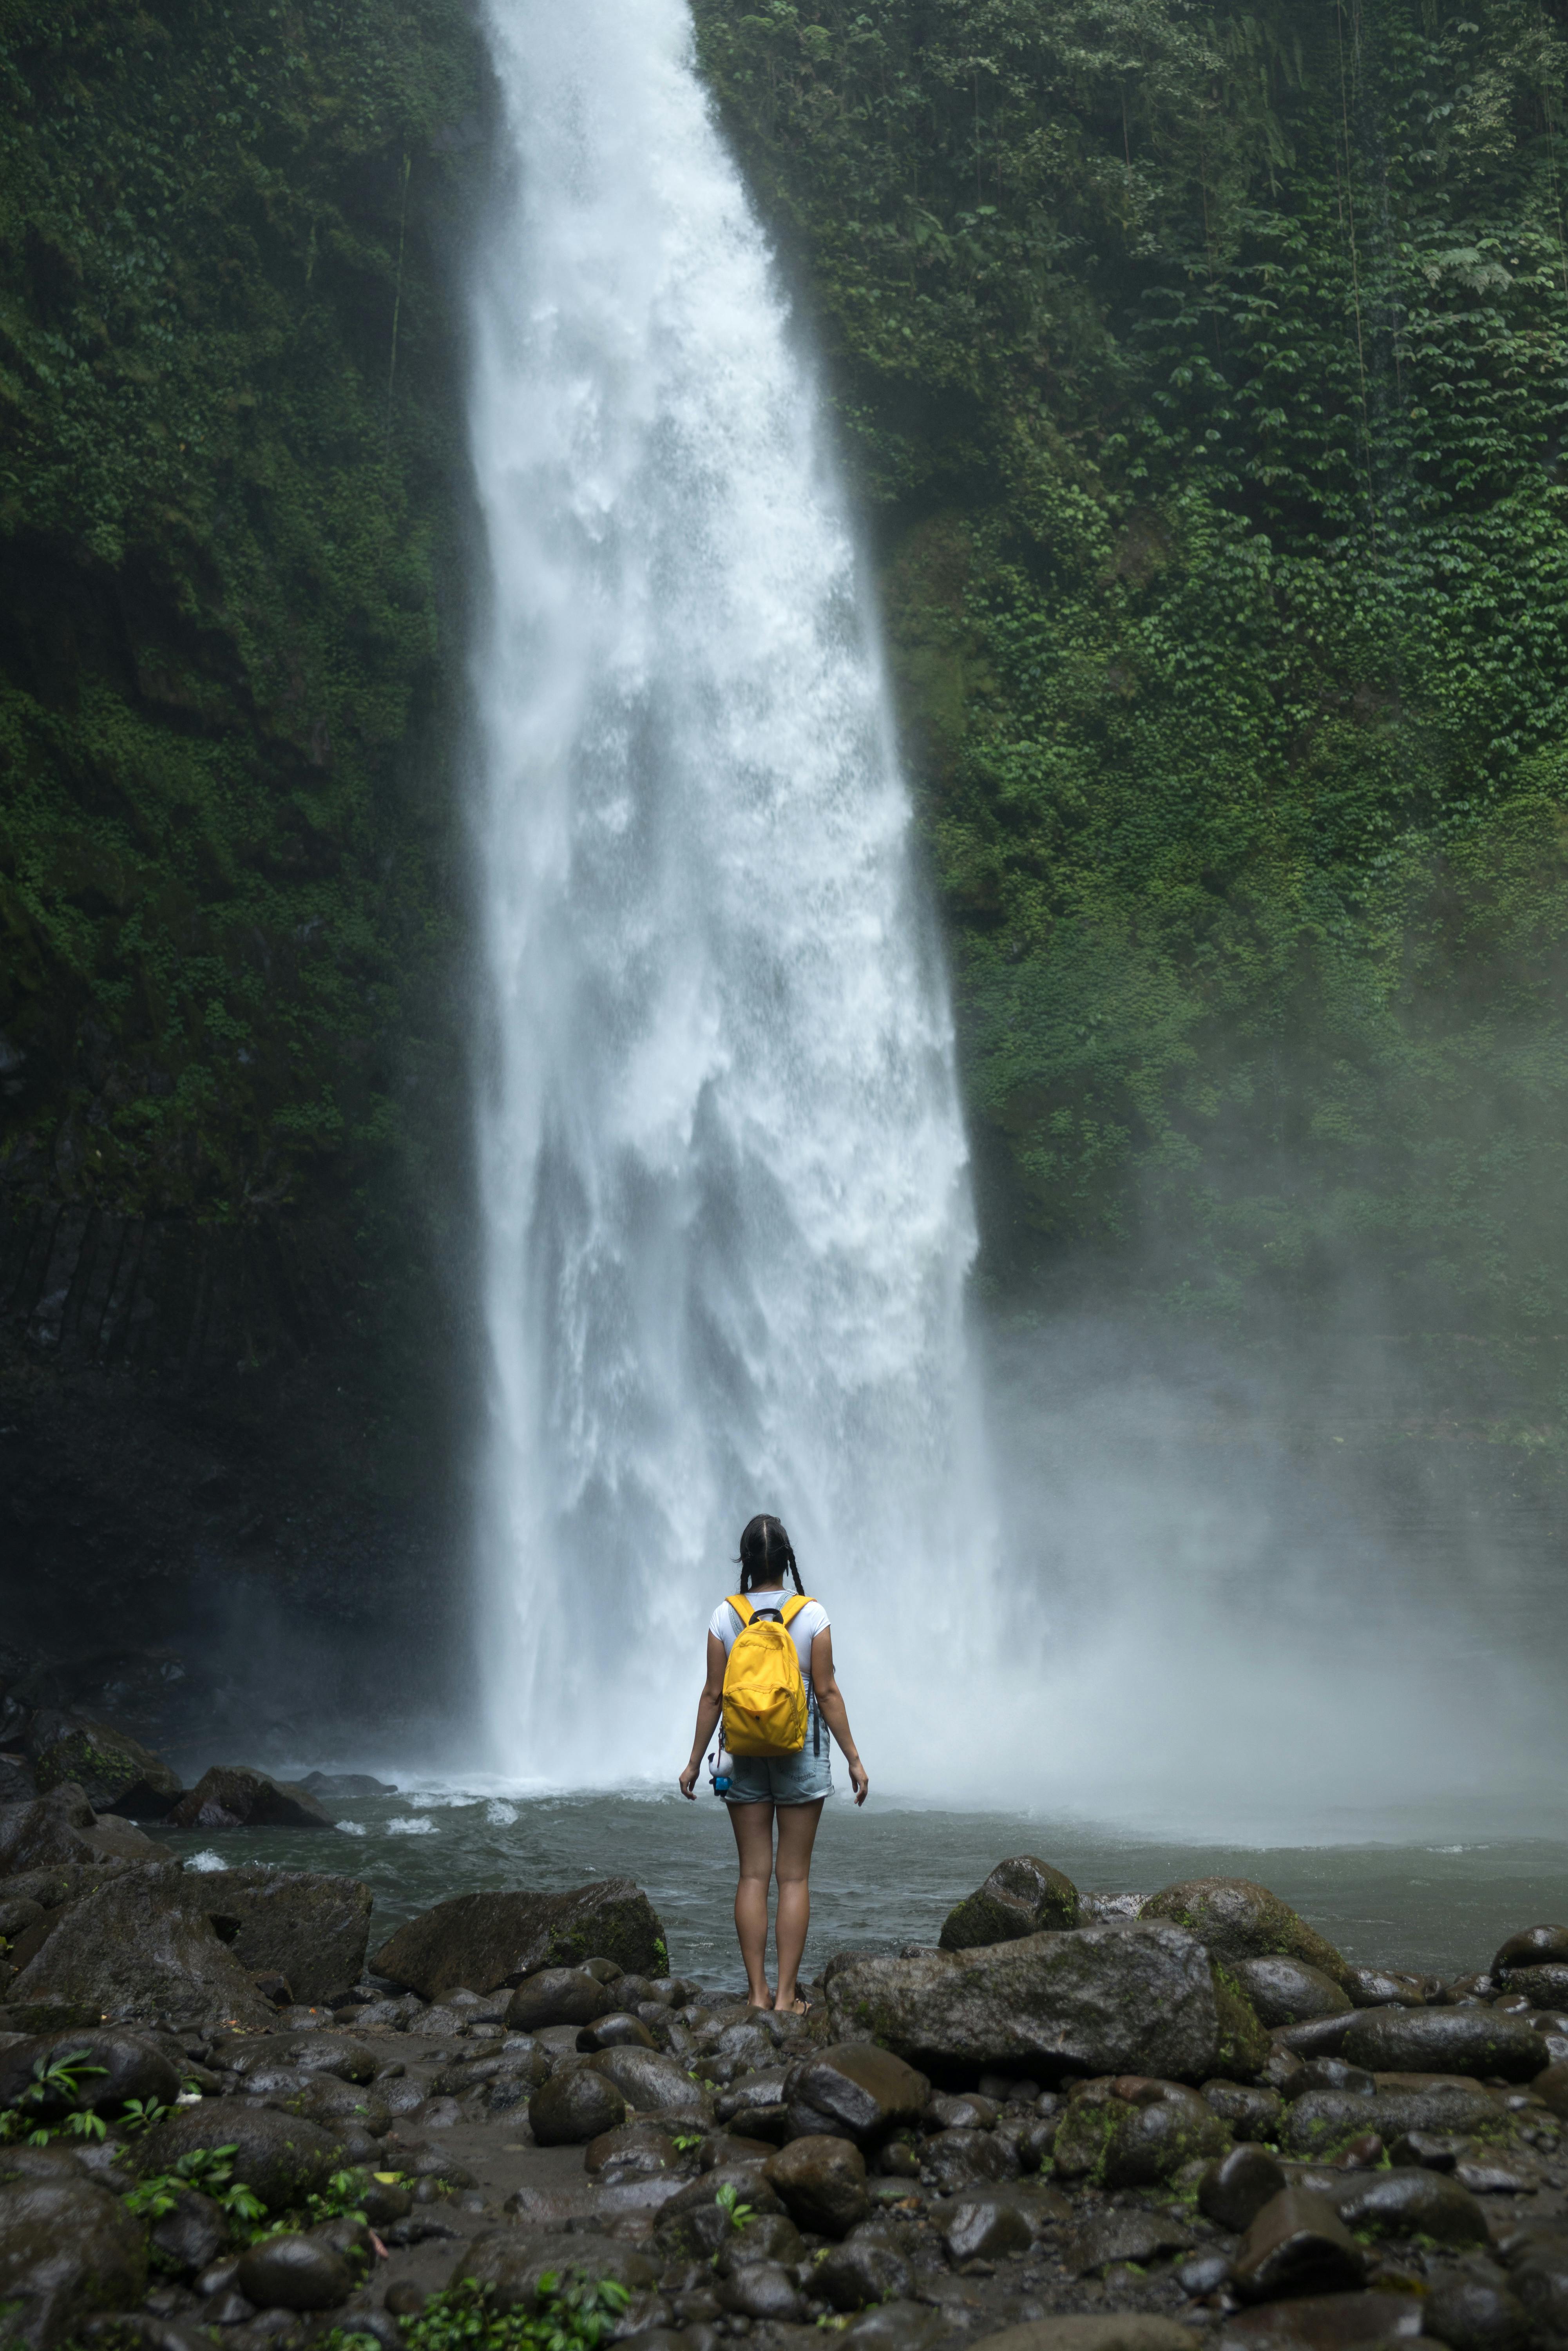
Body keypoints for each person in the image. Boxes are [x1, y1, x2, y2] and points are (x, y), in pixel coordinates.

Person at [679, 1513, 868, 2012]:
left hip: (739, 1755)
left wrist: (695, 1762)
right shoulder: (813, 1615)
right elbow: (825, 1693)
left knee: (752, 1876)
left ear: (746, 1563)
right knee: (794, 1878)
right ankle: (787, 1997)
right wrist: (854, 1758)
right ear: (787, 1561)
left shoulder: (726, 1616)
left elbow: (713, 1696)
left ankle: (757, 1995)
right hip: (801, 1751)